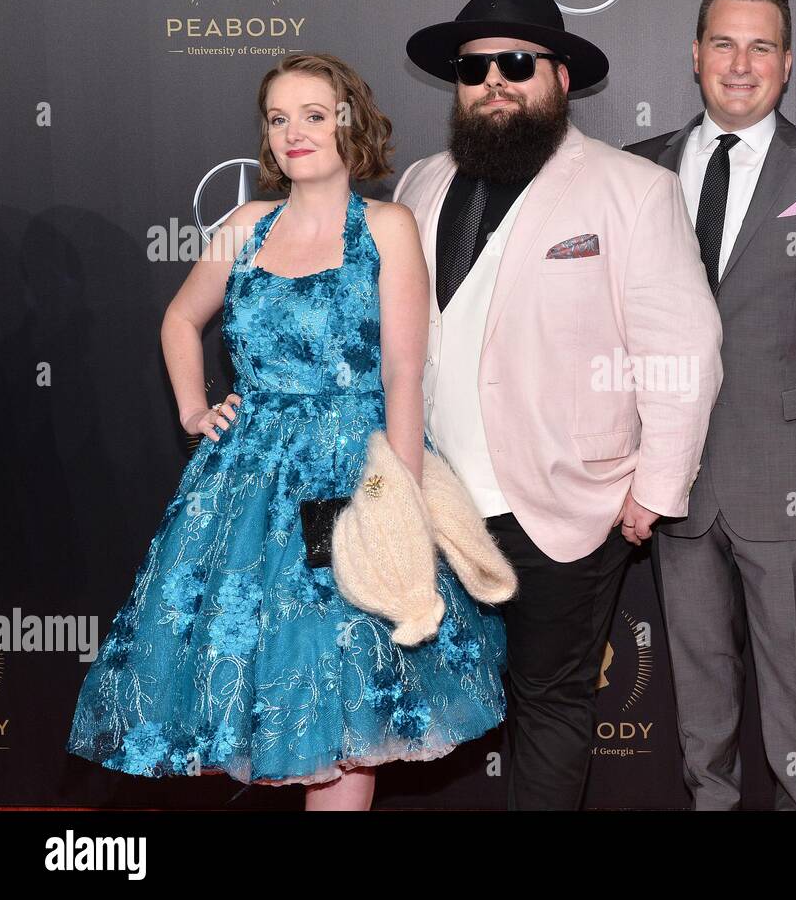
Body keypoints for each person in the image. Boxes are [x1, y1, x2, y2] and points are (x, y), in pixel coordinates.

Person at [66, 52, 508, 810]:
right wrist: (193, 407)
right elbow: (179, 317)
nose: (294, 132)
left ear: (349, 123)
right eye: (278, 119)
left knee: (353, 693)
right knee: (258, 677)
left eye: (313, 114)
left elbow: (405, 372)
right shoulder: (244, 225)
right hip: (248, 487)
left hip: (353, 473)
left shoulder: (388, 226)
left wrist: (394, 497)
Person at [396, 0, 723, 810]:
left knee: (550, 706)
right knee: (415, 707)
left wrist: (655, 490)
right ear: (457, 84)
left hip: (568, 505)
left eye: (517, 62)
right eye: (476, 69)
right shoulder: (417, 188)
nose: (495, 81)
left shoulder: (631, 190)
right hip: (434, 501)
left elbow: (682, 350)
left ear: (561, 78)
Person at [626, 0, 796, 810]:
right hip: (673, 483)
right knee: (700, 702)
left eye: (761, 47)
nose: (740, 64)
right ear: (695, 55)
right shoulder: (640, 171)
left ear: (787, 63)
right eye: (724, 44)